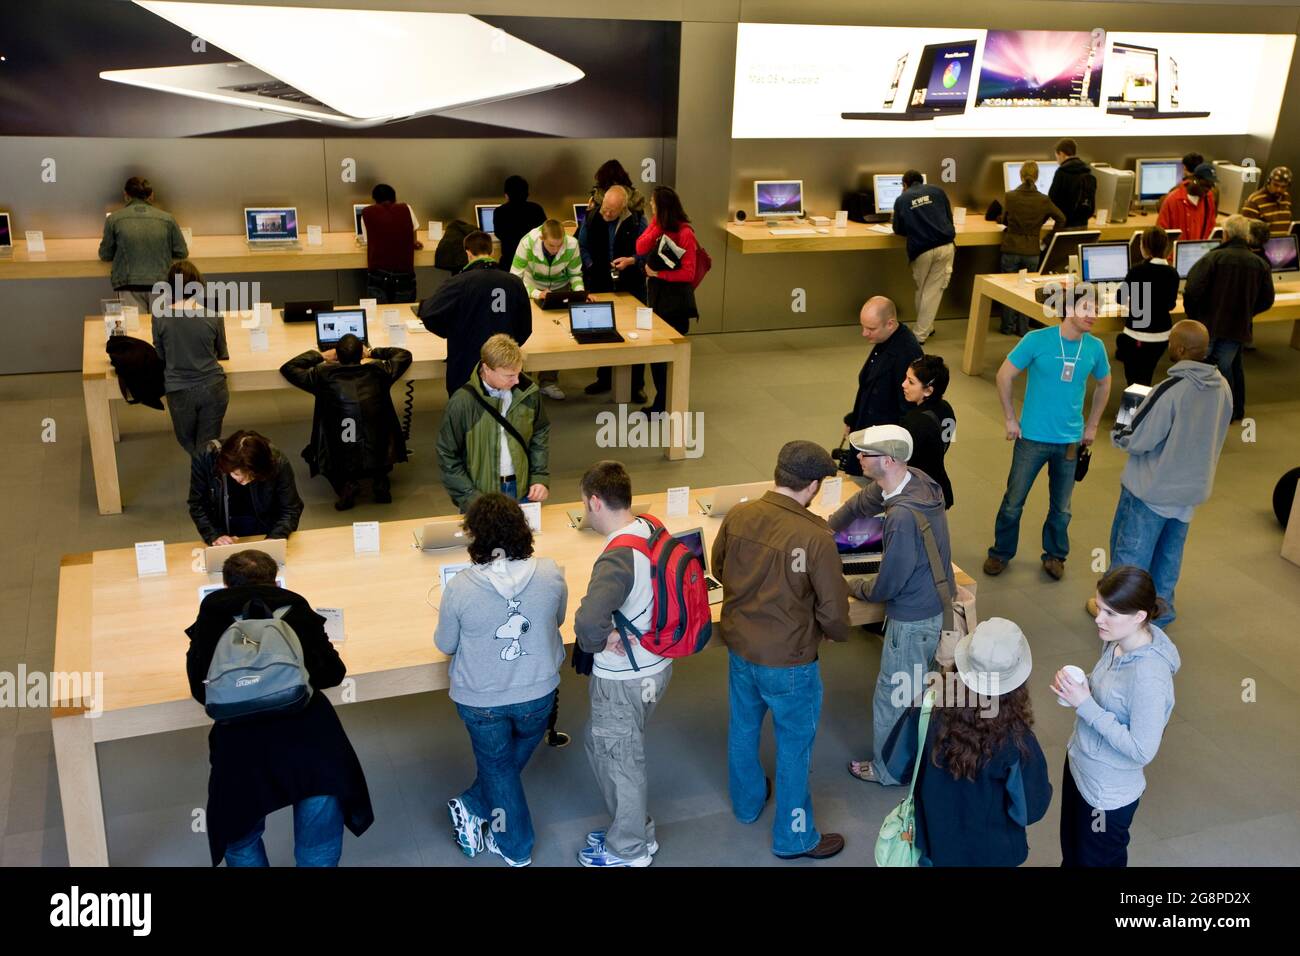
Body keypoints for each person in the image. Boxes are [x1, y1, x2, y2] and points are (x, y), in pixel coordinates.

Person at [185, 549, 373, 866]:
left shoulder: (212, 614)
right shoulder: (296, 608)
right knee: (318, 847)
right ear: (275, 580)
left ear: (225, 584)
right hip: (312, 745)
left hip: (240, 752)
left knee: (240, 841)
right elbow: (332, 674)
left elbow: (200, 691)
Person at [711, 441, 851, 860]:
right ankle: (794, 837)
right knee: (794, 747)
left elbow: (719, 568)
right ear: (812, 485)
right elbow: (834, 610)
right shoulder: (815, 537)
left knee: (743, 727)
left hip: (741, 648)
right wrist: (831, 631)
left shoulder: (738, 514)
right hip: (790, 659)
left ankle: (747, 803)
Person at [435, 493, 567, 867]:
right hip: (538, 691)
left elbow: (445, 644)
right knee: (506, 761)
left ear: (475, 537)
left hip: (482, 701)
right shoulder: (550, 571)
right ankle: (473, 803)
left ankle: (515, 845)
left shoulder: (460, 586)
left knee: (497, 766)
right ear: (522, 531)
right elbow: (554, 621)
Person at [832, 425, 955, 786]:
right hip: (936, 604)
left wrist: (856, 586)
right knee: (921, 691)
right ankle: (920, 757)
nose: (858, 457)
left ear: (887, 460)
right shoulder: (918, 480)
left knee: (893, 695)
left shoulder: (900, 517)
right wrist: (828, 528)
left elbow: (890, 583)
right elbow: (864, 501)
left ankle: (887, 771)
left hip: (912, 621)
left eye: (865, 454)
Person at [881, 618, 1051, 867]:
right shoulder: (1017, 740)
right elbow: (1029, 810)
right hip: (993, 855)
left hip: (934, 846)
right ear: (1015, 683)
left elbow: (896, 767)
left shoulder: (928, 708)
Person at [1099, 320, 1232, 628]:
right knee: (1169, 555)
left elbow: (1136, 439)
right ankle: (1160, 613)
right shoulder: (1222, 386)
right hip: (1191, 491)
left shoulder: (1169, 390)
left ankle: (1119, 616)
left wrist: (1123, 419)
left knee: (1131, 556)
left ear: (1178, 348)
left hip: (1151, 490)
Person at [571, 461, 671, 867]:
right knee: (605, 744)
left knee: (621, 760)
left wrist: (600, 639)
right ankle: (630, 827)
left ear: (596, 501)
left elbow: (587, 623)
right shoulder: (650, 528)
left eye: (583, 505)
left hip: (623, 677)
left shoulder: (616, 558)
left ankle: (629, 849)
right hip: (657, 664)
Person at [1053, 565, 1180, 867]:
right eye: (1099, 607)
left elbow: (1141, 750)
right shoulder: (1118, 641)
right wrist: (1080, 684)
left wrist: (1085, 704)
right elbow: (1107, 691)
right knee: (1072, 856)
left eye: (1110, 613)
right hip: (1079, 768)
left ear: (1139, 617)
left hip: (1104, 796)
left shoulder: (1150, 677)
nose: (1098, 618)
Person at [984, 290, 1112, 580]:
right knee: (1013, 501)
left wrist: (1091, 426)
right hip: (1031, 438)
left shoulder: (1095, 348)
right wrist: (1009, 419)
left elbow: (1105, 383)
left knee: (1062, 508)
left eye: (1097, 309)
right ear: (1068, 309)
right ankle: (1000, 552)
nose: (1094, 314)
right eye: (1087, 308)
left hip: (1070, 441)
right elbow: (1004, 375)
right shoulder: (1036, 340)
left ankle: (1055, 556)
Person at [279, 334, 413, 510]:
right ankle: (380, 481)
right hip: (378, 442)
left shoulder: (322, 376)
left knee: (316, 451)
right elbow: (404, 355)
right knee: (374, 436)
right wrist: (373, 352)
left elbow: (289, 367)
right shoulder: (379, 371)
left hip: (342, 442)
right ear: (361, 355)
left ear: (337, 356)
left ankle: (346, 485)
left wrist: (321, 355)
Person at [436, 334, 549, 512]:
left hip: (522, 491)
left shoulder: (528, 393)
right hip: (480, 496)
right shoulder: (463, 403)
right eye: (509, 376)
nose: (517, 381)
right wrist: (469, 496)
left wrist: (539, 477)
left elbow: (539, 434)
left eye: (518, 373)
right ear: (487, 369)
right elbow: (447, 455)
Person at [418, 230, 532, 395]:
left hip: (466, 362)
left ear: (468, 253)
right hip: (504, 364)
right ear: (492, 252)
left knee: (467, 408)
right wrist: (508, 348)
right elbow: (525, 327)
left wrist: (449, 332)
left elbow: (428, 313)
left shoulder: (458, 282)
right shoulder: (514, 282)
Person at [1183, 214, 1274, 421]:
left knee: (1202, 367)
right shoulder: (1259, 264)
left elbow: (1192, 290)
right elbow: (1267, 299)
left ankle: (1207, 412)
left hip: (1209, 324)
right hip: (1238, 327)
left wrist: (1195, 316)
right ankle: (1232, 410)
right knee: (1229, 366)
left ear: (1225, 234)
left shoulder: (1212, 259)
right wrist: (1248, 313)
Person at [578, 183, 649, 401]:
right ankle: (605, 378)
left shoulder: (637, 221)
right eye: (604, 208)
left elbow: (647, 251)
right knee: (602, 330)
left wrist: (632, 260)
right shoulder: (591, 217)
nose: (606, 213)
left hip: (630, 284)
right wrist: (590, 265)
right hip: (600, 282)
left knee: (635, 335)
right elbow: (581, 246)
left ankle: (636, 385)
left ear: (623, 208)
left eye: (611, 211)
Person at [151, 259, 229, 456]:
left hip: (179, 391)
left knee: (188, 442)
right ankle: (209, 478)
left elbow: (160, 356)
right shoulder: (213, 315)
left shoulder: (159, 317)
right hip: (214, 387)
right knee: (208, 445)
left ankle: (205, 478)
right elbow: (222, 353)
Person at [841, 296, 922, 475]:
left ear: (890, 324)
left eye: (870, 328)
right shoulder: (885, 340)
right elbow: (870, 388)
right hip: (870, 430)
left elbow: (907, 408)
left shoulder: (906, 353)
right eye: (863, 326)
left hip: (883, 446)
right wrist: (854, 418)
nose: (864, 333)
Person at [636, 185, 699, 415]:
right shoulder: (659, 227)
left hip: (675, 305)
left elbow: (688, 274)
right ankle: (663, 402)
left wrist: (658, 274)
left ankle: (665, 404)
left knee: (669, 359)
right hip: (659, 301)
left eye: (653, 204)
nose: (650, 207)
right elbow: (640, 246)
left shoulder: (685, 234)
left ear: (661, 207)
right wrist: (656, 225)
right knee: (658, 357)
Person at [510, 218, 585, 400]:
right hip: (531, 288)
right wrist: (536, 293)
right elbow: (514, 279)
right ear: (542, 238)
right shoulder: (527, 242)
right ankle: (522, 383)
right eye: (551, 246)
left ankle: (548, 381)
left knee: (555, 338)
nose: (556, 250)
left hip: (559, 288)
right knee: (530, 334)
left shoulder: (572, 244)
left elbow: (575, 275)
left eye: (559, 246)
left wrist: (580, 294)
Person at [189, 430, 304, 545]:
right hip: (224, 532)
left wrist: (275, 537)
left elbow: (291, 509)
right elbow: (197, 504)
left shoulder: (276, 461)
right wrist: (213, 535)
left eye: (252, 476)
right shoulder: (205, 458)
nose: (244, 482)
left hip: (265, 530)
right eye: (237, 474)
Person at [98, 176, 188, 316]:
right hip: (161, 284)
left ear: (126, 195)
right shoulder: (167, 219)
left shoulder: (113, 219)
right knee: (162, 331)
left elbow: (105, 255)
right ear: (151, 195)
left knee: (135, 332)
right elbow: (182, 251)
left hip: (128, 284)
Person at [998, 160, 1065, 335]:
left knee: (1008, 288)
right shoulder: (1043, 200)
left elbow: (1004, 218)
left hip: (1011, 247)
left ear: (1021, 175)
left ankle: (1007, 327)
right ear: (1036, 177)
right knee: (1027, 291)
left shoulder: (1010, 196)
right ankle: (1022, 328)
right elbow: (1061, 218)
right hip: (1032, 250)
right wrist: (1048, 238)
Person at [891, 169, 956, 344]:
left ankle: (921, 333)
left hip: (921, 250)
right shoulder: (938, 191)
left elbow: (898, 230)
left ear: (904, 185)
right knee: (932, 291)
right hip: (945, 245)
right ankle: (924, 330)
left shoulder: (902, 199)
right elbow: (949, 217)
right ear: (922, 181)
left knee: (923, 290)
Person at [1116, 226, 1180, 387]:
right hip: (1162, 335)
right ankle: (1144, 409)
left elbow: (1120, 298)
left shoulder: (1137, 271)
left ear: (1144, 247)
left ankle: (1132, 411)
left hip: (1138, 333)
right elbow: (1171, 305)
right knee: (1146, 375)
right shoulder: (1172, 273)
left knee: (1133, 378)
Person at [900, 355, 956, 509]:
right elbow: (948, 440)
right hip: (940, 485)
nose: (903, 384)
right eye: (906, 378)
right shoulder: (947, 409)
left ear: (928, 390)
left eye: (911, 382)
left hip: (917, 492)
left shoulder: (914, 422)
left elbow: (901, 461)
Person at [360, 183, 422, 304]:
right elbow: (414, 231)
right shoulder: (406, 208)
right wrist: (413, 242)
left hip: (378, 275)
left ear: (374, 199)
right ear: (394, 197)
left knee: (379, 315)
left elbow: (369, 241)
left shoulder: (367, 213)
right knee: (404, 314)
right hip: (404, 274)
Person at [492, 174, 547, 274]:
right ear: (527, 194)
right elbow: (545, 232)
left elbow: (499, 234)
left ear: (506, 195)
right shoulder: (536, 209)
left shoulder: (500, 212)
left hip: (510, 263)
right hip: (535, 263)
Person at [1157, 162, 1219, 241]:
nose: (1208, 189)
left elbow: (1210, 228)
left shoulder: (1208, 199)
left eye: (1211, 186)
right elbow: (1161, 233)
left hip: (1200, 250)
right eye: (1205, 185)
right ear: (1194, 179)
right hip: (1176, 251)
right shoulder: (1173, 200)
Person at [1048, 139, 1095, 229]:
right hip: (1083, 225)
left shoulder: (1062, 172)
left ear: (1061, 153)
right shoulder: (1087, 171)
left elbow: (1051, 200)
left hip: (1065, 225)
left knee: (1045, 242)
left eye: (1056, 156)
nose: (1057, 160)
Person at [1240, 166, 1293, 238]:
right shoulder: (1254, 200)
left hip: (1283, 243)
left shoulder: (1287, 198)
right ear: (1269, 182)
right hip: (1263, 245)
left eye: (1283, 187)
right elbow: (1245, 231)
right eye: (1275, 185)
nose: (1279, 190)